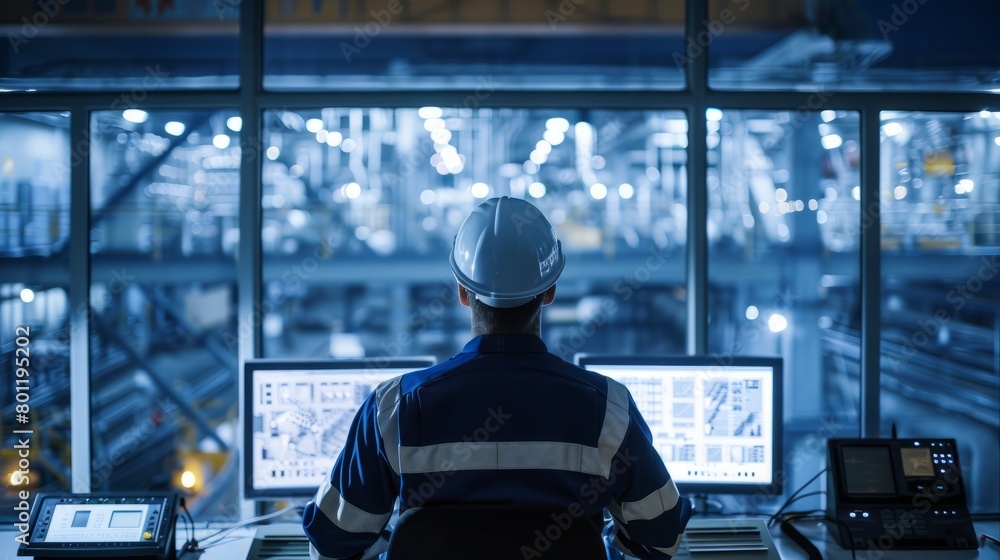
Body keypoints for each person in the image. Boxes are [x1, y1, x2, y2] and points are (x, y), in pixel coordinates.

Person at [303, 196, 692, 559]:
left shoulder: (393, 408)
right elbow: (661, 539)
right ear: (551, 290)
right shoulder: (609, 409)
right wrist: (598, 540)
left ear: (462, 291)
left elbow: (333, 543)